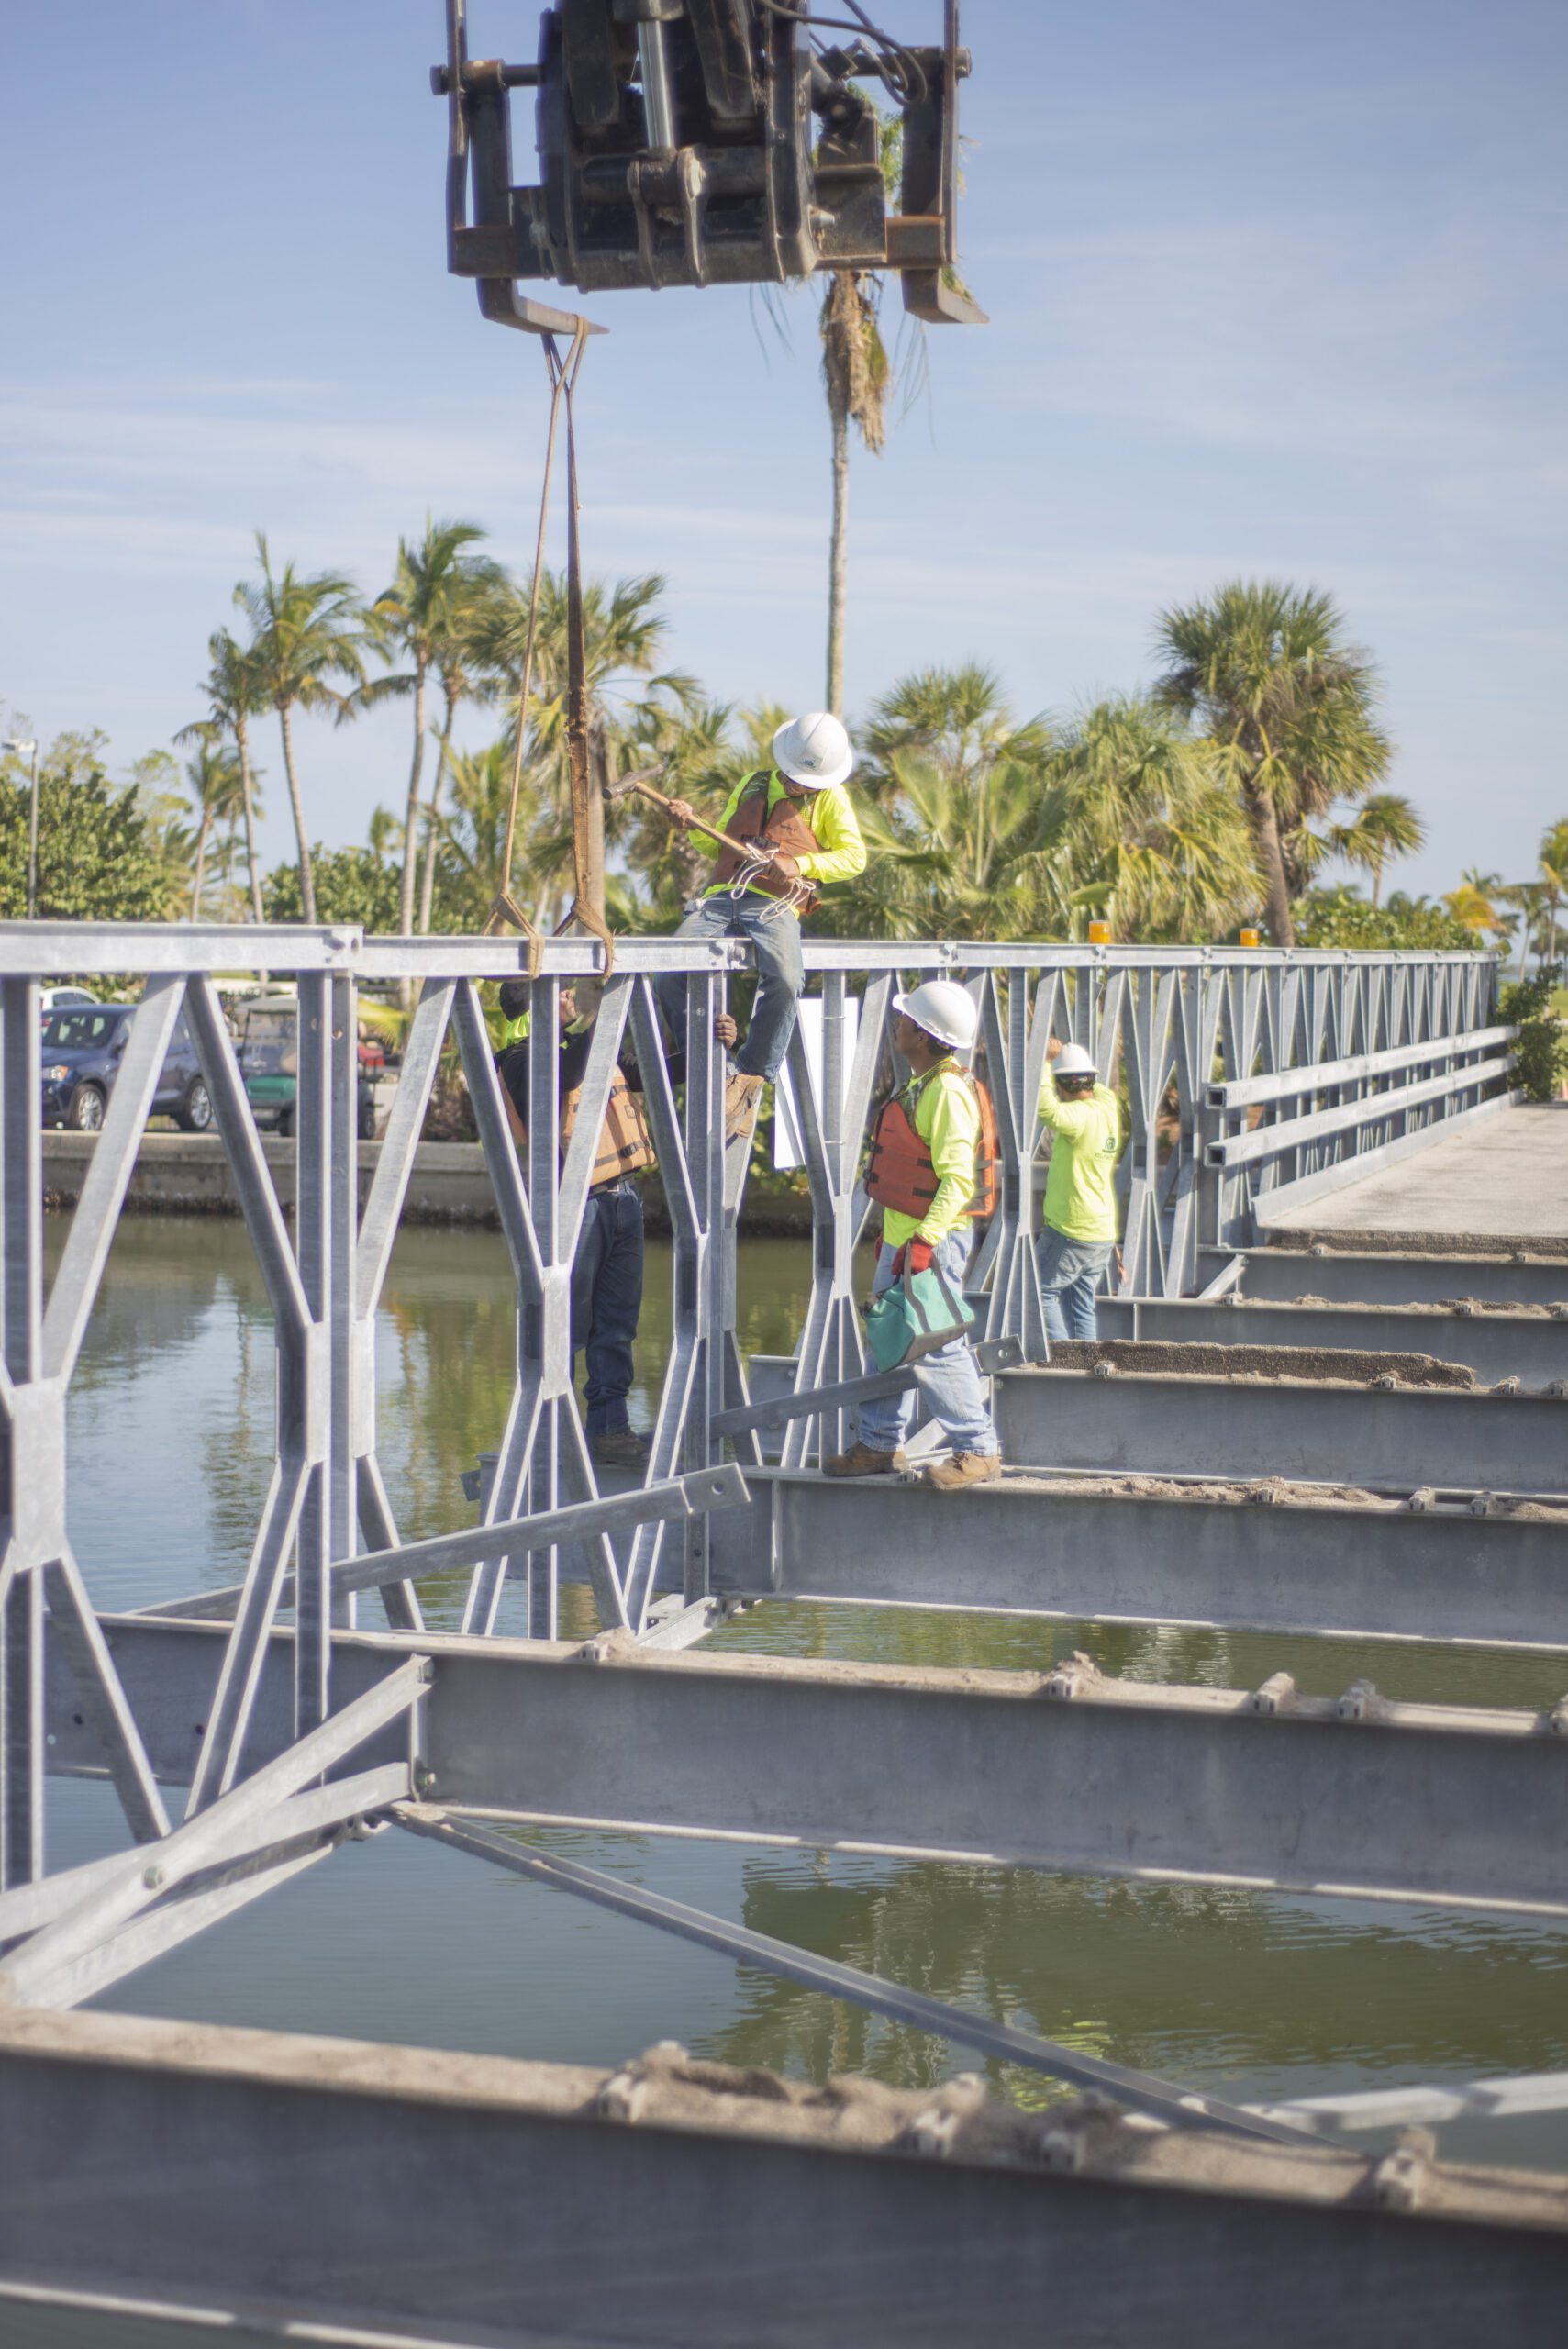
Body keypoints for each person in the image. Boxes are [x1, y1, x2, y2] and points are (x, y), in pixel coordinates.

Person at [495, 978, 735, 1470]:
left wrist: (714, 1044)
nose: (568, 999)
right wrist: (609, 1016)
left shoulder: (584, 1051)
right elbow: (561, 1077)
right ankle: (548, 1430)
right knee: (568, 1325)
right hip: (572, 1208)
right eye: (559, 994)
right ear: (532, 1007)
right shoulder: (522, 1059)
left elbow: (655, 1073)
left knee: (617, 1323)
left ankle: (608, 1429)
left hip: (621, 1200)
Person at [825, 980, 1004, 1491]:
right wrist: (894, 1237)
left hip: (932, 1242)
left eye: (905, 1019)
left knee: (937, 1346)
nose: (897, 1024)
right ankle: (879, 1444)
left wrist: (922, 1242)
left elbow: (957, 1179)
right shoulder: (925, 1082)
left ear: (923, 1035)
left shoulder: (946, 1091)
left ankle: (979, 1449)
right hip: (909, 1240)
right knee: (889, 1342)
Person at [657, 711, 866, 1140]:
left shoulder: (830, 799)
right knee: (667, 973)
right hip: (722, 897)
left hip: (774, 905)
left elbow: (853, 857)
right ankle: (712, 1067)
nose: (796, 786)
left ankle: (750, 1074)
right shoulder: (751, 782)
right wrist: (688, 822)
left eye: (805, 782)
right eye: (791, 778)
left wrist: (800, 863)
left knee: (787, 979)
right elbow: (715, 842)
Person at [1036, 1038, 1123, 1341]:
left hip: (1071, 1230)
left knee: (1039, 1293)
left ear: (1062, 1085)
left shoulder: (1078, 1117)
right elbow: (1096, 1088)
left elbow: (1047, 1110)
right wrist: (1068, 1063)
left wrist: (1047, 1062)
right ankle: (1085, 1366)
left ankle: (1064, 1364)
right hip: (1100, 1232)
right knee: (1081, 1306)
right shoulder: (1107, 1106)